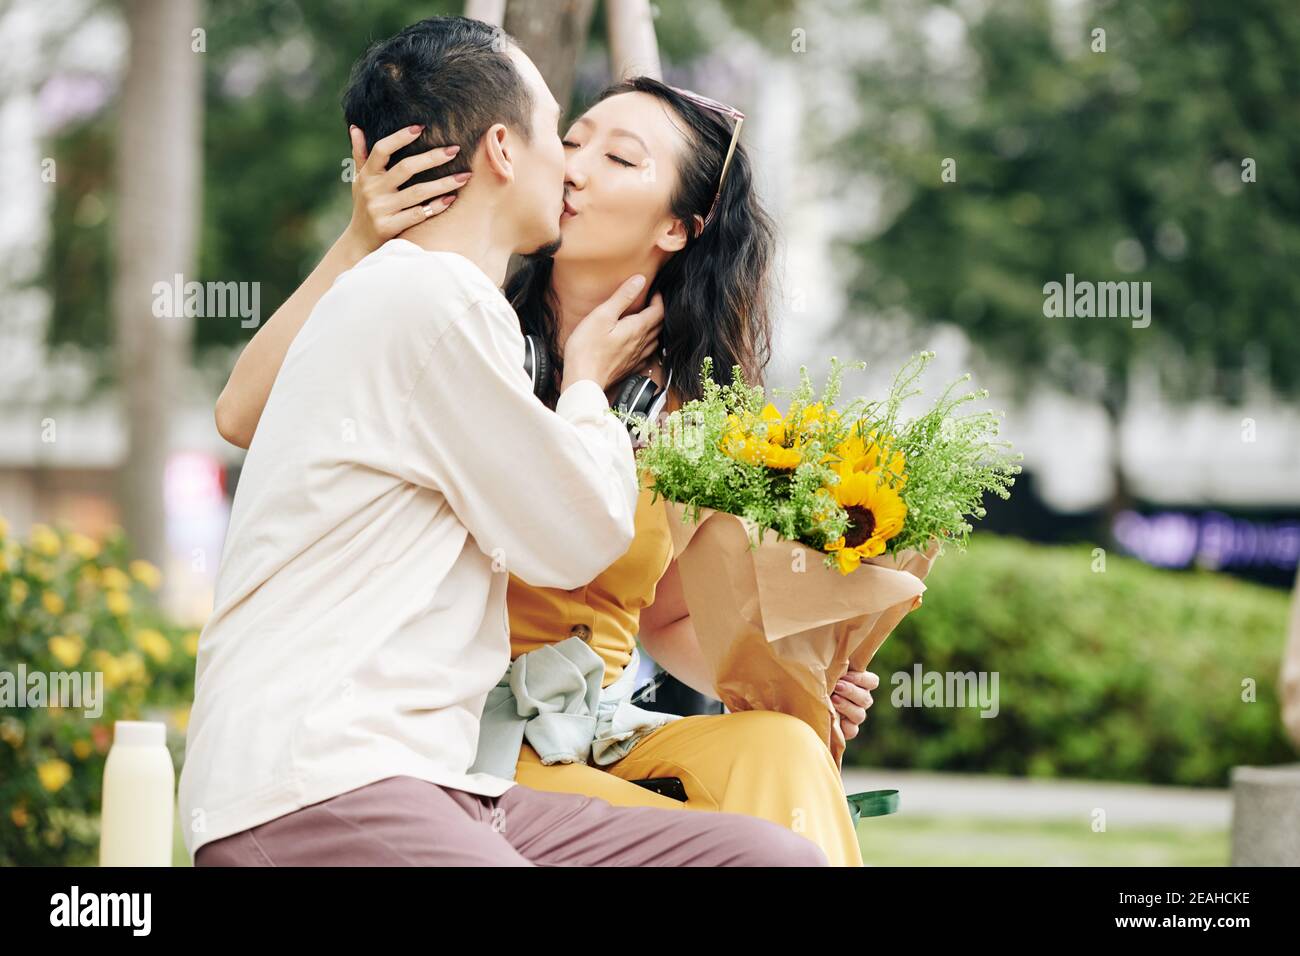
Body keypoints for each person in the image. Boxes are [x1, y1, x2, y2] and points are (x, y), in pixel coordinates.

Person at [182, 15, 825, 867]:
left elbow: (673, 610)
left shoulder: (671, 401)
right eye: (566, 137)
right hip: (382, 753)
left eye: (617, 159)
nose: (574, 165)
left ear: (679, 227)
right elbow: (243, 414)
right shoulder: (451, 310)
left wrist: (809, 674)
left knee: (780, 786)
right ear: (503, 151)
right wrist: (365, 238)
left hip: (491, 754)